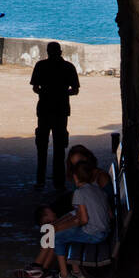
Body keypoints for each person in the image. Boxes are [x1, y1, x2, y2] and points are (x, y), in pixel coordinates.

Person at [17, 161, 112, 278]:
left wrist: (69, 225)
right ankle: (42, 269)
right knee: (59, 234)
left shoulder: (79, 193)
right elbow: (80, 214)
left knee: (58, 238)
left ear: (75, 177)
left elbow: (82, 219)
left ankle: (66, 276)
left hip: (94, 233)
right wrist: (62, 224)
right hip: (104, 231)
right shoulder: (95, 188)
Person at [30, 42, 80, 191]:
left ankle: (40, 180)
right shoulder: (69, 67)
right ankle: (59, 182)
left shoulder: (40, 66)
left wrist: (46, 93)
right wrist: (63, 93)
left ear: (47, 52)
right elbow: (75, 90)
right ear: (61, 51)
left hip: (45, 109)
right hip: (61, 110)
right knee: (59, 148)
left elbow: (35, 88)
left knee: (42, 147)